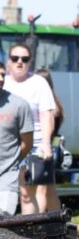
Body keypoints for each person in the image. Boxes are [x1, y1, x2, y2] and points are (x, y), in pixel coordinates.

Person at [5, 43, 58, 214]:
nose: (20, 62)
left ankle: (31, 231)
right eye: (15, 58)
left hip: (33, 145)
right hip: (8, 146)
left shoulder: (39, 83)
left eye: (24, 59)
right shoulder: (3, 81)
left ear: (30, 62)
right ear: (8, 61)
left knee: (27, 192)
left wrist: (47, 143)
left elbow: (46, 114)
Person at [33, 68, 64, 212]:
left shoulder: (50, 105)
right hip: (53, 149)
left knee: (40, 189)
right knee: (50, 190)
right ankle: (58, 221)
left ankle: (37, 222)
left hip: (45, 149)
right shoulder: (55, 101)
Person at [0, 82, 34, 216]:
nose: (1, 78)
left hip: (6, 180)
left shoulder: (19, 105)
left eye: (3, 74)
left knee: (3, 225)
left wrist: (10, 162)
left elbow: (27, 143)